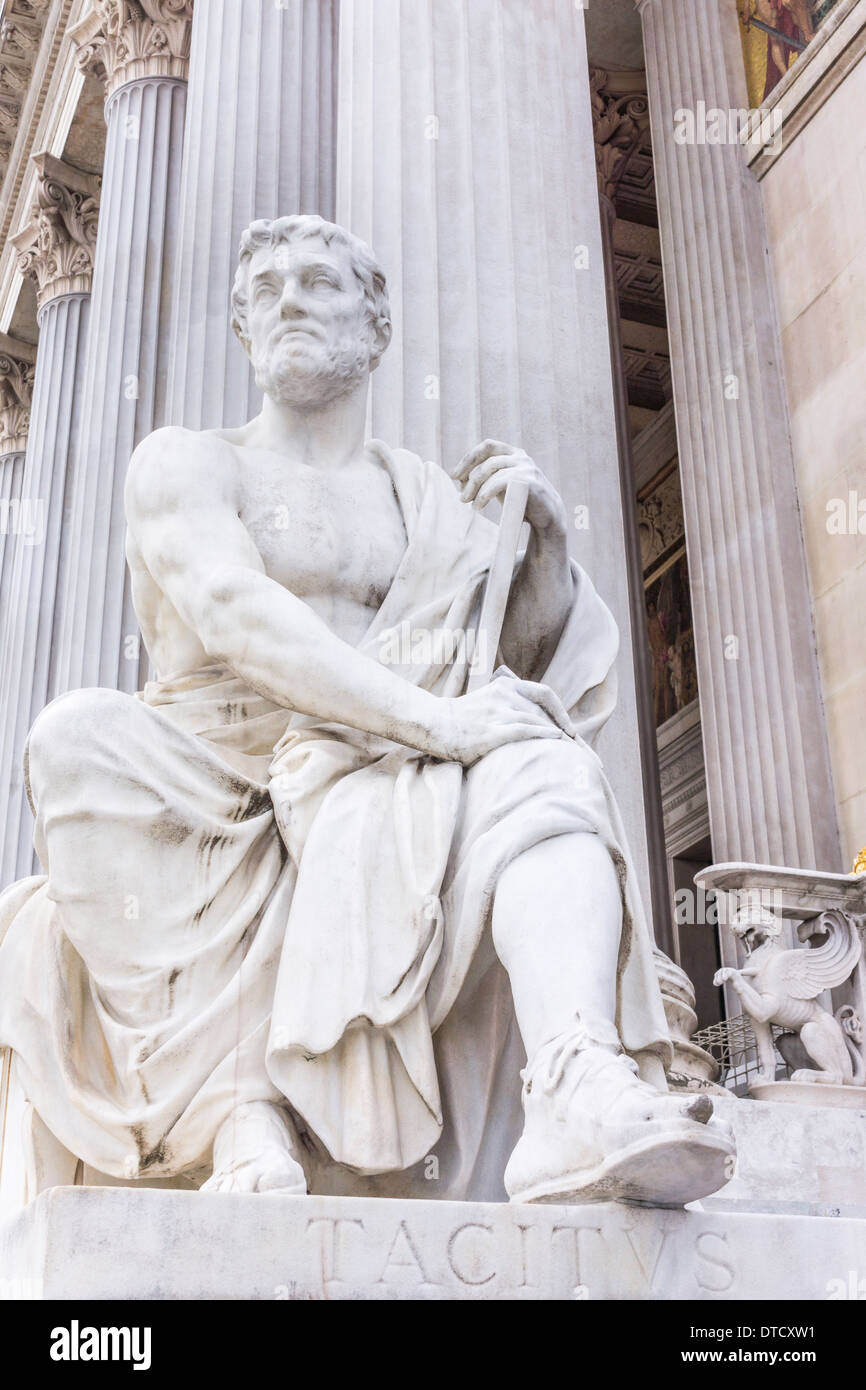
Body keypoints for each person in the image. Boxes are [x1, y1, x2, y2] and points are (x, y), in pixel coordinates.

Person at [0, 216, 733, 1208]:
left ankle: (572, 1079)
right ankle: (235, 1105)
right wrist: (434, 727)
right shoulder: (187, 462)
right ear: (241, 326)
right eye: (265, 288)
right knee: (74, 733)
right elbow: (232, 612)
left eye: (318, 282)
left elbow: (509, 666)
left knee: (544, 757)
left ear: (375, 322)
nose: (289, 299)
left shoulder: (423, 499)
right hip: (209, 784)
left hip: (385, 783)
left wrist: (546, 555)